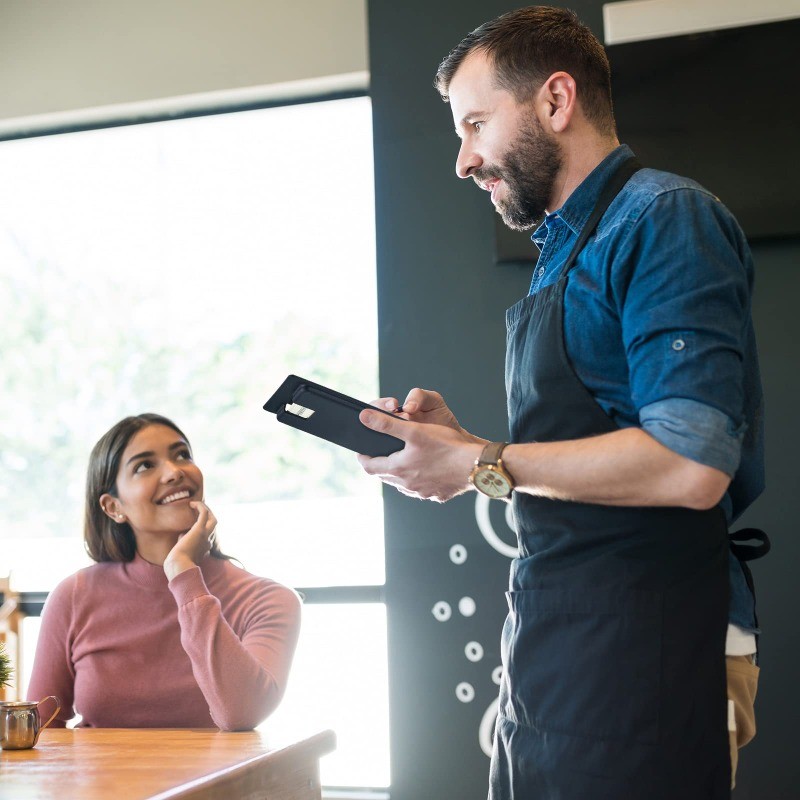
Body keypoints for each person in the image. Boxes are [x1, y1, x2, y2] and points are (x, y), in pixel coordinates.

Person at [357, 6, 765, 798]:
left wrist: (479, 461)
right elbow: (589, 444)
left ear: (554, 100)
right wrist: (462, 447)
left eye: (475, 124)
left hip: (653, 644)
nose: (462, 160)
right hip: (555, 639)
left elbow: (691, 462)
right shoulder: (563, 248)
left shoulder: (663, 219)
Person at [27, 413, 301, 730]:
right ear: (113, 507)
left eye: (182, 454)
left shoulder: (266, 601)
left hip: (219, 781)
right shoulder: (74, 596)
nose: (174, 472)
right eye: (145, 465)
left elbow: (240, 715)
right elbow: (41, 731)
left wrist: (183, 574)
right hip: (100, 780)